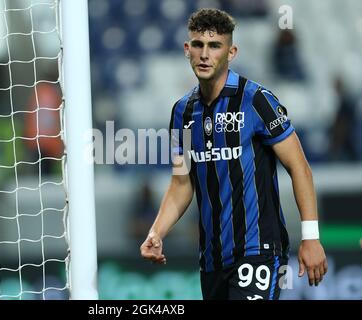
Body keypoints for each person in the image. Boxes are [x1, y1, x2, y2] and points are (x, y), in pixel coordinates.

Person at [140, 8, 327, 300]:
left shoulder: (256, 100)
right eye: (199, 45)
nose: (205, 54)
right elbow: (181, 183)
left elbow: (299, 167)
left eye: (215, 46)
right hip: (212, 261)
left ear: (231, 52)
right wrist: (156, 232)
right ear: (187, 50)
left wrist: (311, 237)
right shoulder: (182, 112)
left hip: (259, 252)